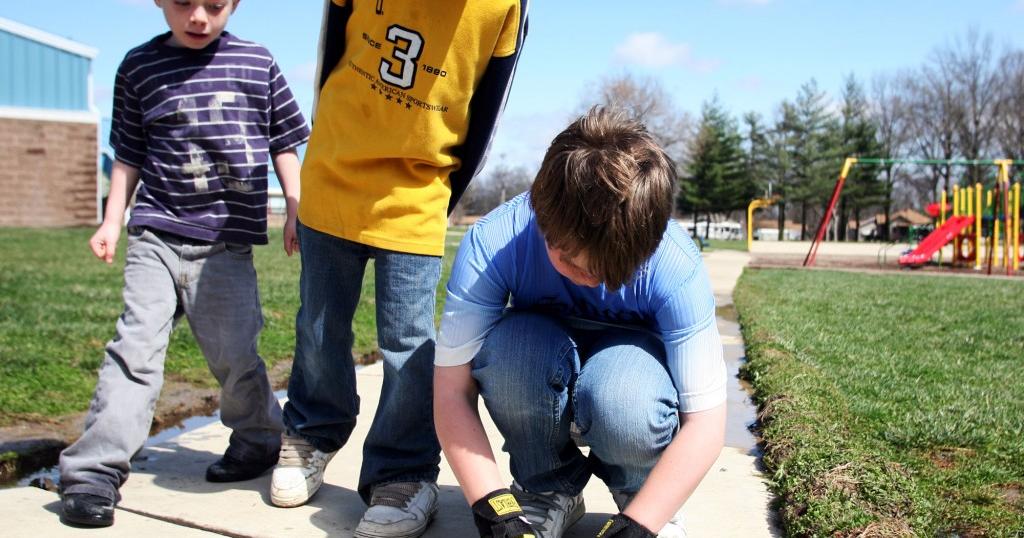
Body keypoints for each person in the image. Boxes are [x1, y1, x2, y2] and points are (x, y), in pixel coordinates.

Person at [268, 1, 529, 537]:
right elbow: (330, 48)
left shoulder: (503, 5)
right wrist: (322, 148)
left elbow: (489, 109)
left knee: (409, 342)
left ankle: (403, 472)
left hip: (418, 189)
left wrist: (443, 194)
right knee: (319, 323)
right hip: (334, 172)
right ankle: (313, 431)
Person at [58, 0, 309, 527]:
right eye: (183, 3)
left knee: (234, 353)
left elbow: (285, 141)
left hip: (225, 242)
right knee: (135, 347)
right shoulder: (139, 66)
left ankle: (260, 437)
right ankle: (93, 472)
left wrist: (295, 207)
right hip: (156, 231)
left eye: (214, 5)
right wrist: (111, 220)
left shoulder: (256, 62)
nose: (198, 17)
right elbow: (129, 153)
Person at [434, 107, 728, 538]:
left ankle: (642, 495)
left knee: (622, 397)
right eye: (571, 261)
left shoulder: (675, 264)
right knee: (511, 353)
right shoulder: (494, 242)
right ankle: (545, 488)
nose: (591, 279)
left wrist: (640, 526)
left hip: (630, 369)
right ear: (542, 220)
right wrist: (492, 507)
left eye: (612, 269)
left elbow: (706, 421)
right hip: (538, 352)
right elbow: (451, 391)